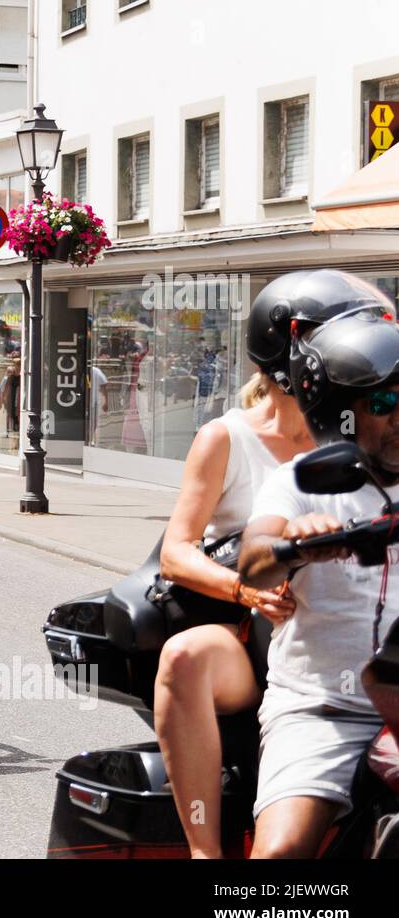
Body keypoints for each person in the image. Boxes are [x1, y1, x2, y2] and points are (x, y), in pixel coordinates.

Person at [153, 269, 351, 859]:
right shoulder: (225, 438)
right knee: (183, 657)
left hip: (343, 632)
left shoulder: (354, 436)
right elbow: (175, 551)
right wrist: (248, 592)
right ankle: (206, 855)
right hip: (255, 637)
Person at [239, 295, 399, 858]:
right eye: (384, 401)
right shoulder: (300, 481)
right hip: (322, 707)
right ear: (343, 411)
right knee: (280, 858)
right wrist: (296, 544)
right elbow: (253, 557)